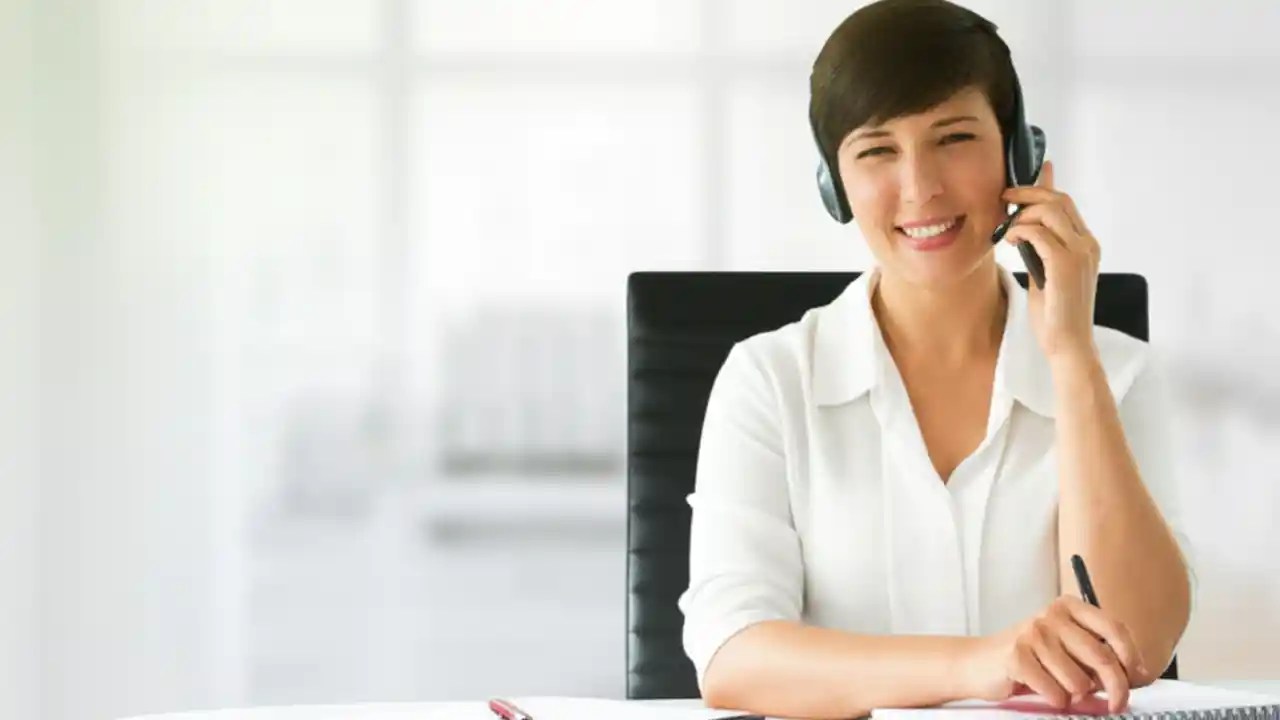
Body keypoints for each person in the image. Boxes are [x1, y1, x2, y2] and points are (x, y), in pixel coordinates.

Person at [677, 2, 1194, 718]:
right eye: (877, 151)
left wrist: (1072, 359)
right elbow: (733, 655)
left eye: (953, 138)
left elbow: (1137, 645)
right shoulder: (768, 381)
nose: (920, 187)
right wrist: (983, 663)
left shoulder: (1117, 371)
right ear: (836, 185)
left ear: (1019, 154)